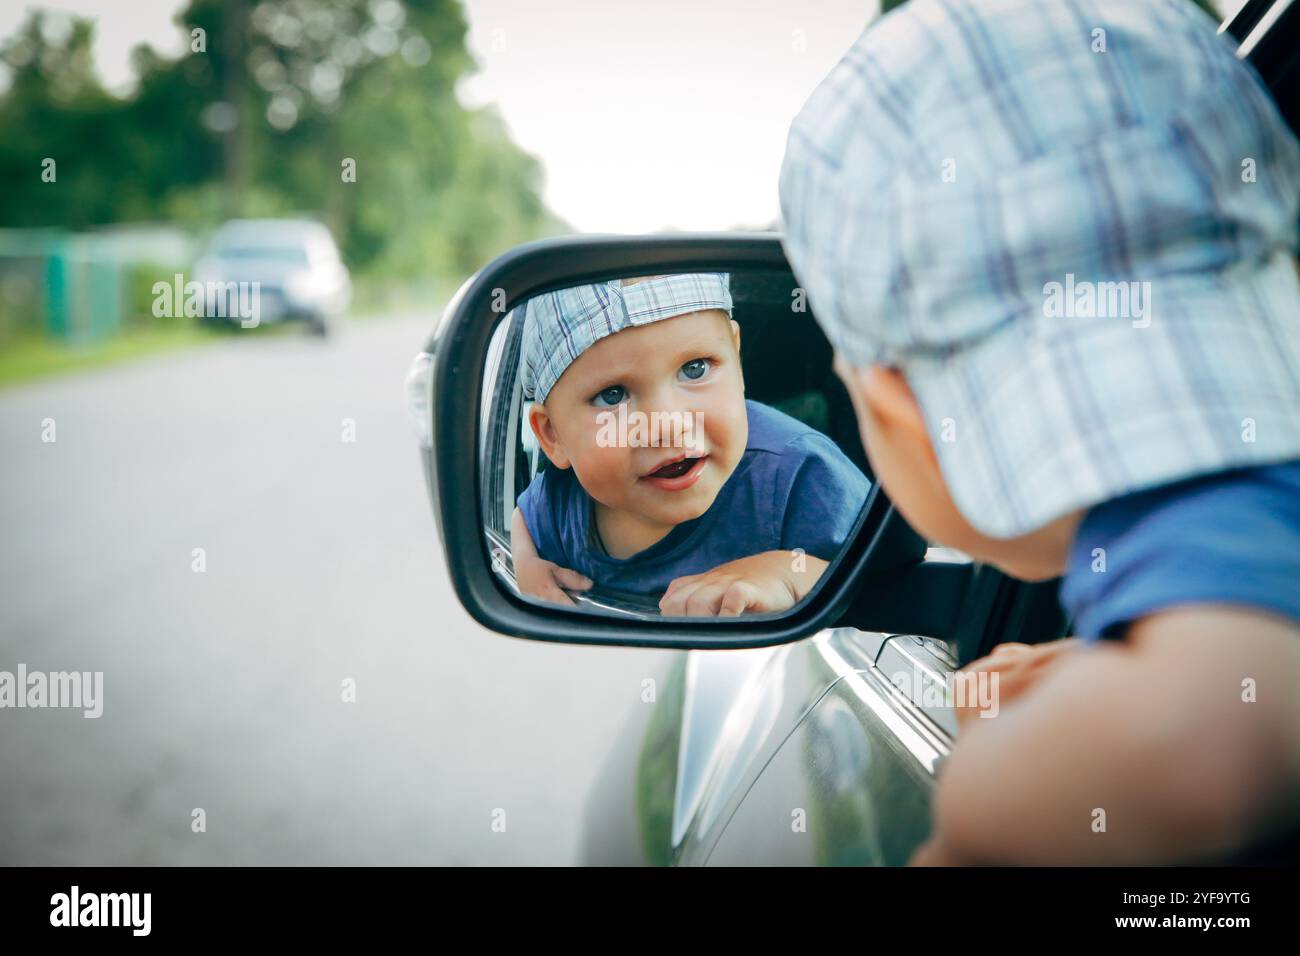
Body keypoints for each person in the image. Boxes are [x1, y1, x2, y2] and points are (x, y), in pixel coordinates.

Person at [779, 0, 1300, 864]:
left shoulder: (1171, 698)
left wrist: (999, 796)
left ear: (897, 409)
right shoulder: (1216, 553)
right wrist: (1098, 672)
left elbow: (1204, 750)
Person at [509, 273, 871, 615]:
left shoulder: (800, 474)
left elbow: (881, 575)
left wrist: (788, 573)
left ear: (737, 358)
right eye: (612, 395)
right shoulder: (561, 502)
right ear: (552, 436)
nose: (669, 425)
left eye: (695, 368)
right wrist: (526, 564)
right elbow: (524, 516)